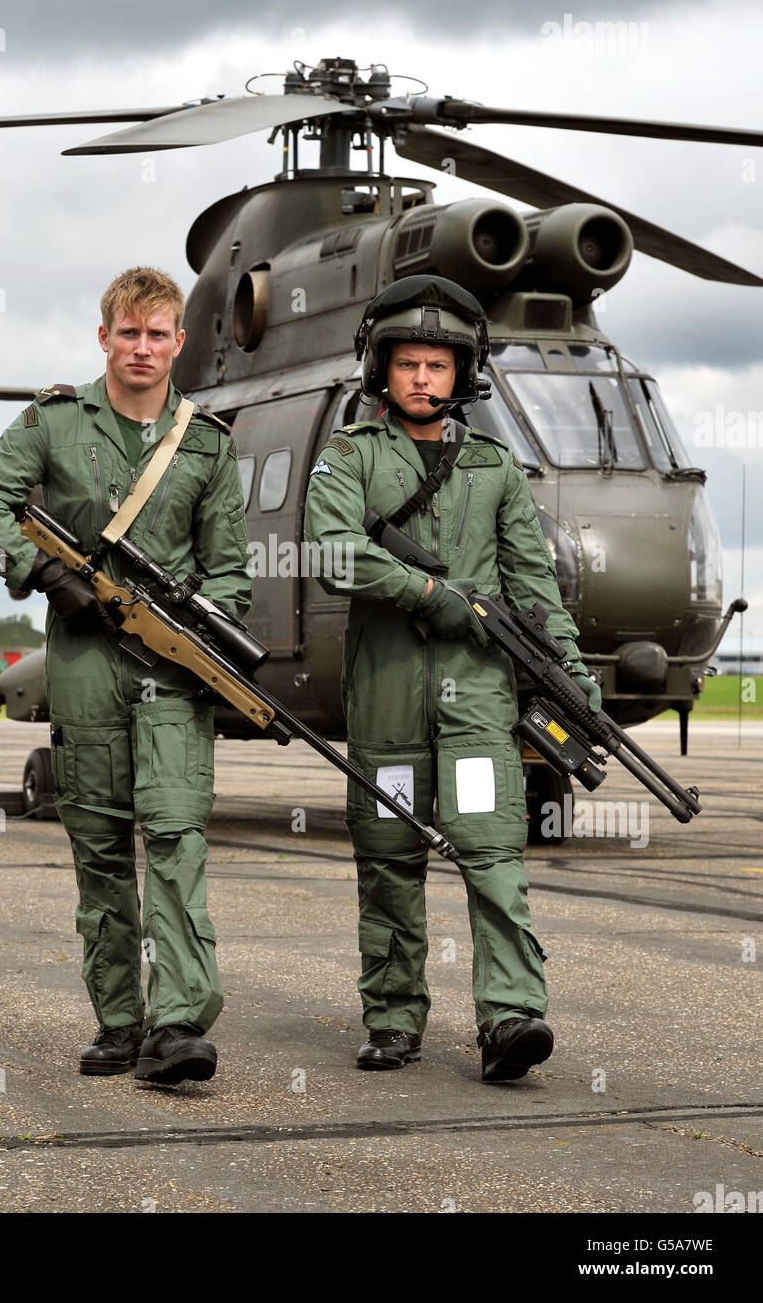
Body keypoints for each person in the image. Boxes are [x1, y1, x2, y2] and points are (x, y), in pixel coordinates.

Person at [0, 266, 251, 1085]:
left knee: (178, 838)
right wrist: (42, 573)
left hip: (174, 674)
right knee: (101, 850)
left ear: (179, 342)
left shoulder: (208, 443)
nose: (142, 348)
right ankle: (121, 1023)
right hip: (83, 667)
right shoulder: (52, 424)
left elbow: (228, 573)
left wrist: (205, 624)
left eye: (158, 334)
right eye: (129, 333)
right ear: (104, 337)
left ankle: (181, 1022)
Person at [303, 274, 601, 1081]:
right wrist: (431, 594)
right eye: (409, 364)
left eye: (439, 364)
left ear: (463, 374)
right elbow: (332, 552)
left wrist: (571, 671)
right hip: (388, 704)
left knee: (493, 855)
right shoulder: (350, 458)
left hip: (476, 707)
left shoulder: (495, 468)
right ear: (384, 372)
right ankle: (394, 1020)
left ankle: (511, 1018)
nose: (423, 378)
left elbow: (533, 587)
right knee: (390, 858)